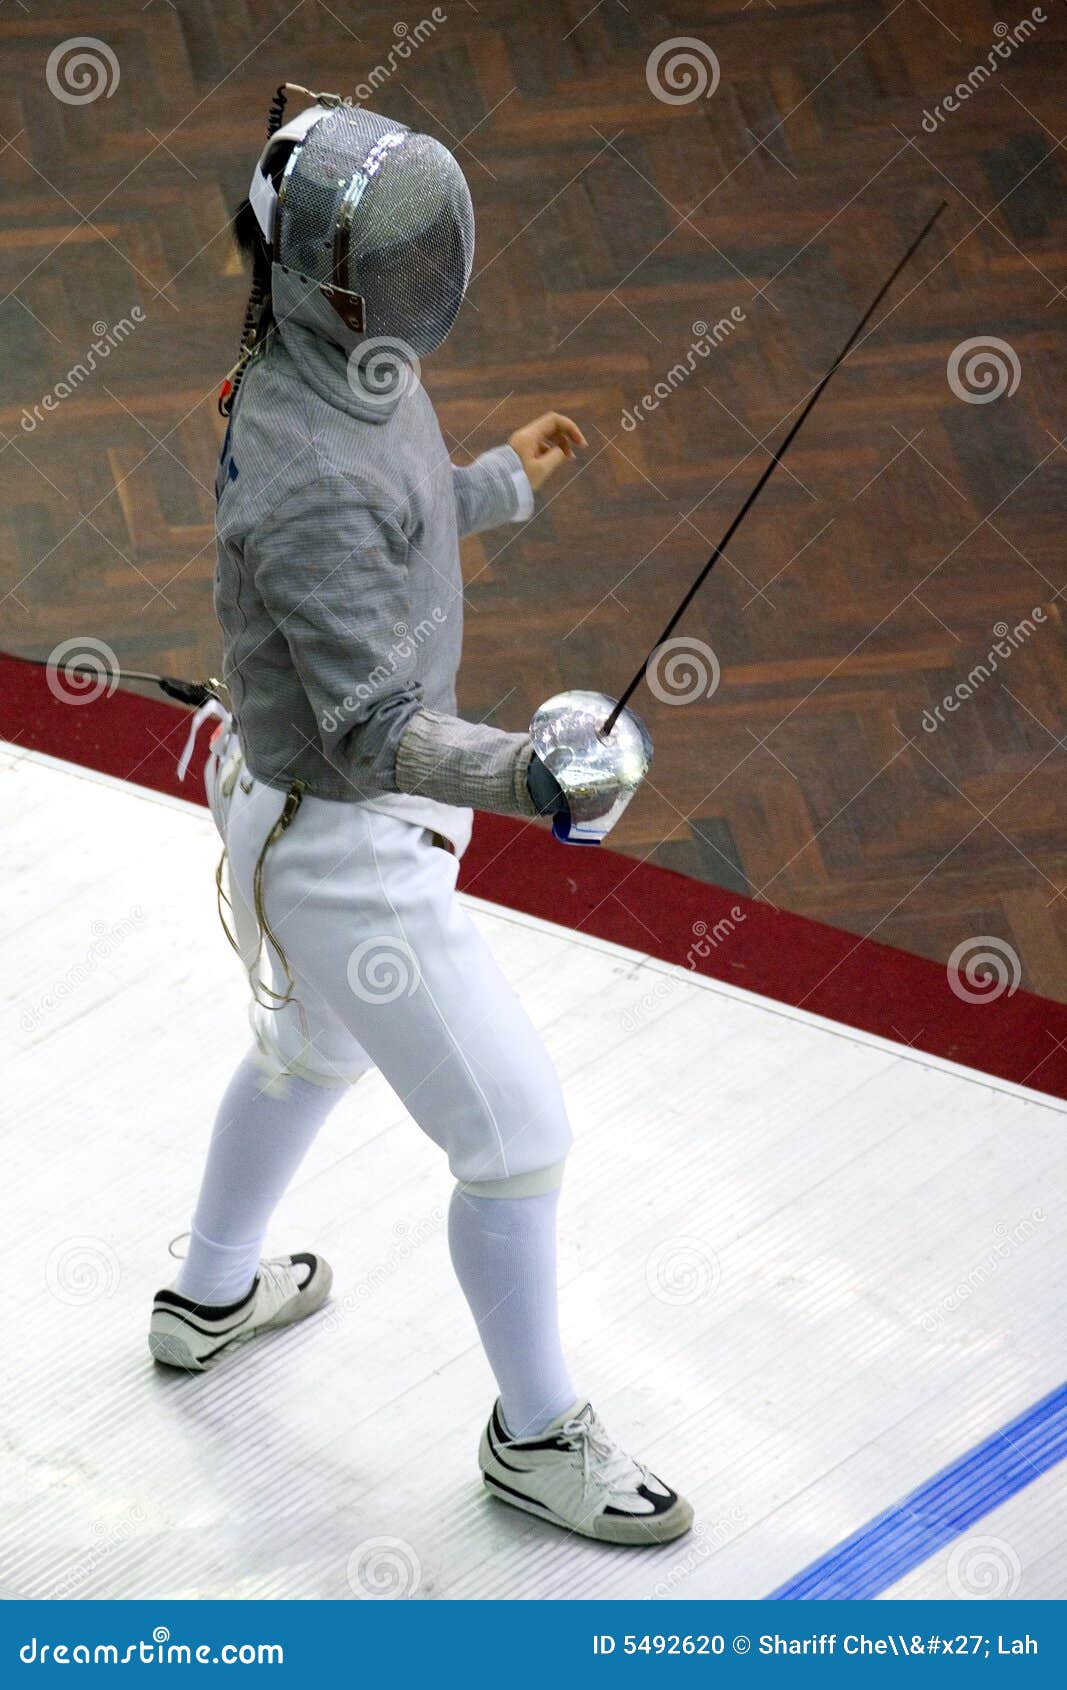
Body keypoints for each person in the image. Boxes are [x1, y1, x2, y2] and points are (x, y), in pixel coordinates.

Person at [149, 86, 692, 1547]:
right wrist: (531, 772)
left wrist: (499, 483)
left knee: (309, 1045)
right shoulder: (309, 460)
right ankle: (535, 1438)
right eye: (391, 259)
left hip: (289, 803)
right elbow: (375, 727)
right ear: (325, 270)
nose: (419, 280)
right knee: (514, 1136)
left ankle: (206, 1294)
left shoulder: (339, 358)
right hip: (339, 833)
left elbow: (397, 504)